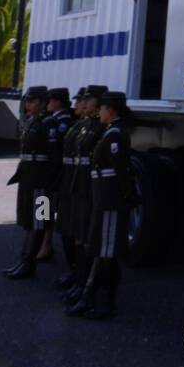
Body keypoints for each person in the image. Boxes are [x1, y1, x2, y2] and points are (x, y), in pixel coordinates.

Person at [67, 90, 132, 320]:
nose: (99, 112)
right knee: (99, 248)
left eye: (102, 108)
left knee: (106, 251)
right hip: (99, 196)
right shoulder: (107, 131)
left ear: (111, 110)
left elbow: (121, 171)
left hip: (109, 199)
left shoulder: (115, 134)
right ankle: (88, 293)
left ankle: (103, 301)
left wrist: (126, 197)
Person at [58, 85, 106, 301]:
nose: (80, 104)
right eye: (80, 100)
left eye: (86, 100)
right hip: (65, 182)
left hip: (82, 185)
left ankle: (40, 250)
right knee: (64, 226)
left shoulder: (98, 128)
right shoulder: (79, 125)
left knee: (77, 232)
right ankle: (75, 274)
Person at [4, 85, 49, 279]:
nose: (27, 105)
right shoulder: (33, 121)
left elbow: (54, 157)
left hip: (43, 183)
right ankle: (24, 260)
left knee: (39, 221)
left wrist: (50, 183)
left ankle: (29, 262)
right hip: (30, 178)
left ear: (40, 102)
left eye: (31, 101)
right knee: (29, 220)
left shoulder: (49, 124)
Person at [37, 88, 75, 265]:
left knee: (48, 209)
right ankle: (41, 243)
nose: (48, 103)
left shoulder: (64, 121)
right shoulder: (52, 119)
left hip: (55, 172)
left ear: (58, 102)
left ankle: (46, 244)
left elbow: (56, 147)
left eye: (50, 100)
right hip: (46, 173)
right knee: (42, 208)